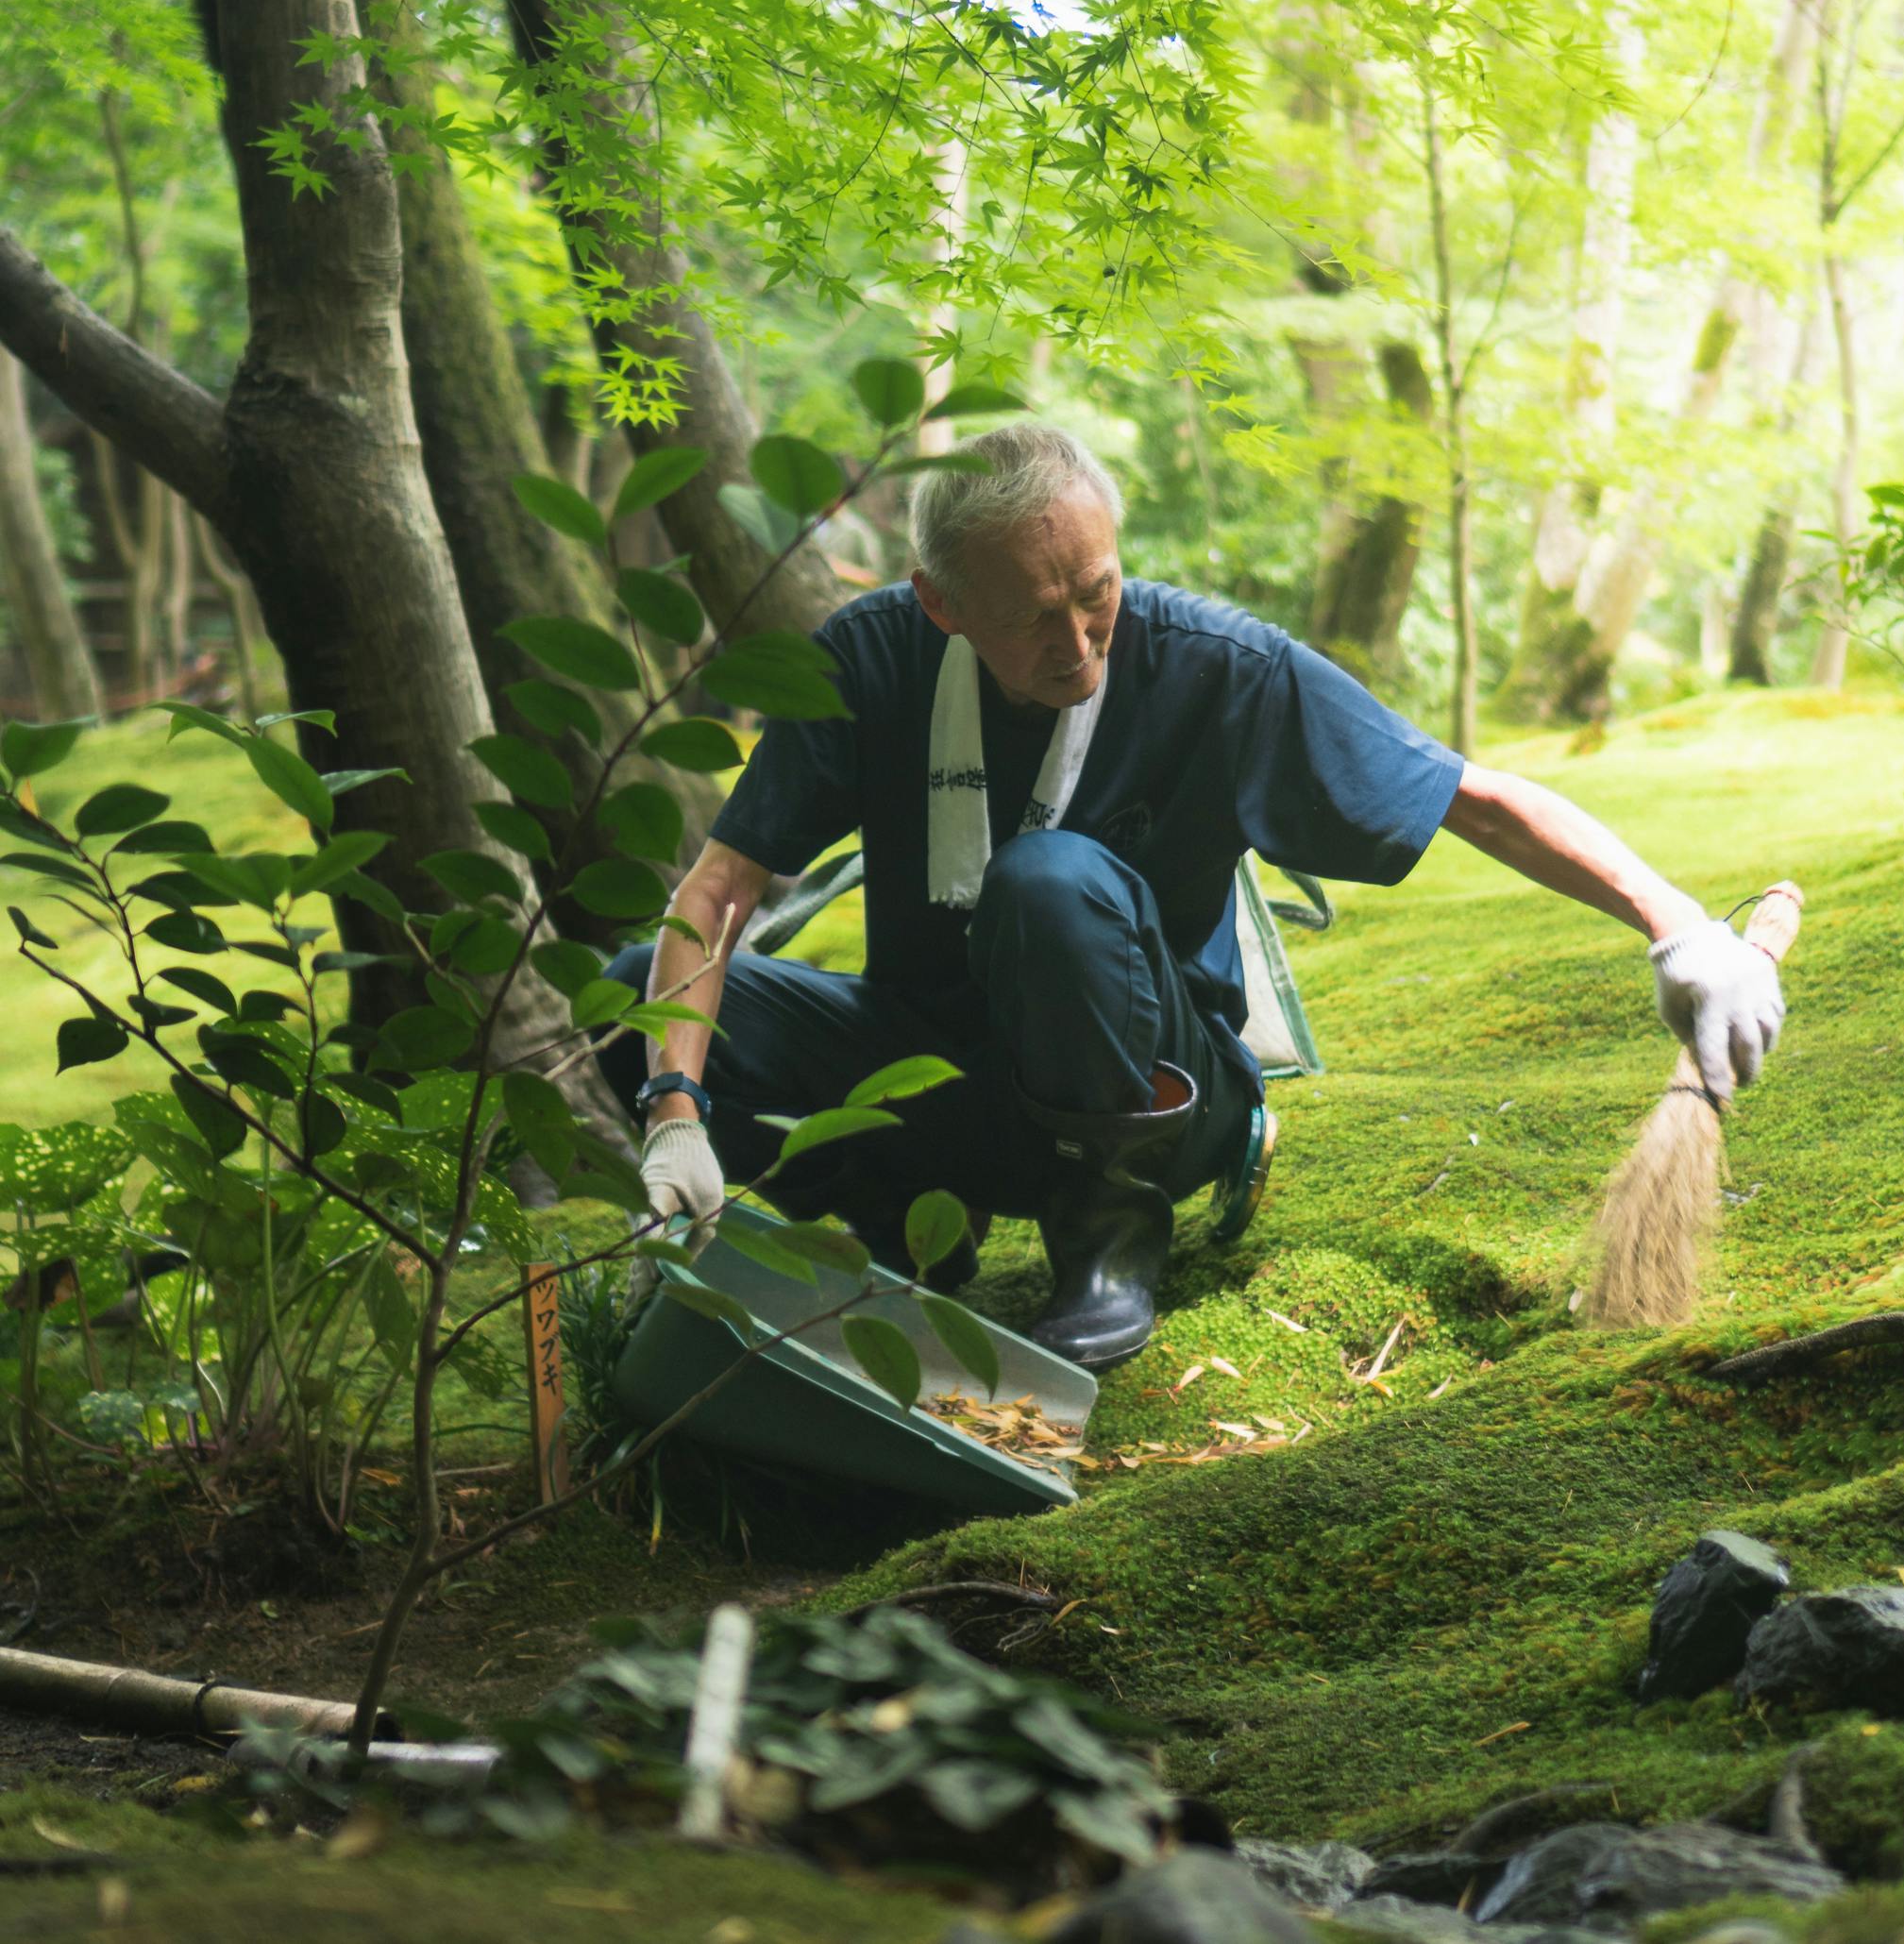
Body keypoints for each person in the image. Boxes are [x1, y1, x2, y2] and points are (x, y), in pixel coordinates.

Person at [596, 424, 1783, 1369]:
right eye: (1033, 617)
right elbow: (720, 887)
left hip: (1160, 1090)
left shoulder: (1215, 669)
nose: (1077, 642)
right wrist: (674, 1113)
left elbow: (1470, 798)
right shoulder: (874, 660)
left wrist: (1678, 928)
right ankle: (900, 1220)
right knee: (631, 1002)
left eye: (1095, 593)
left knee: (1047, 881)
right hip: (939, 1067)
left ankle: (1108, 1241)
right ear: (942, 605)